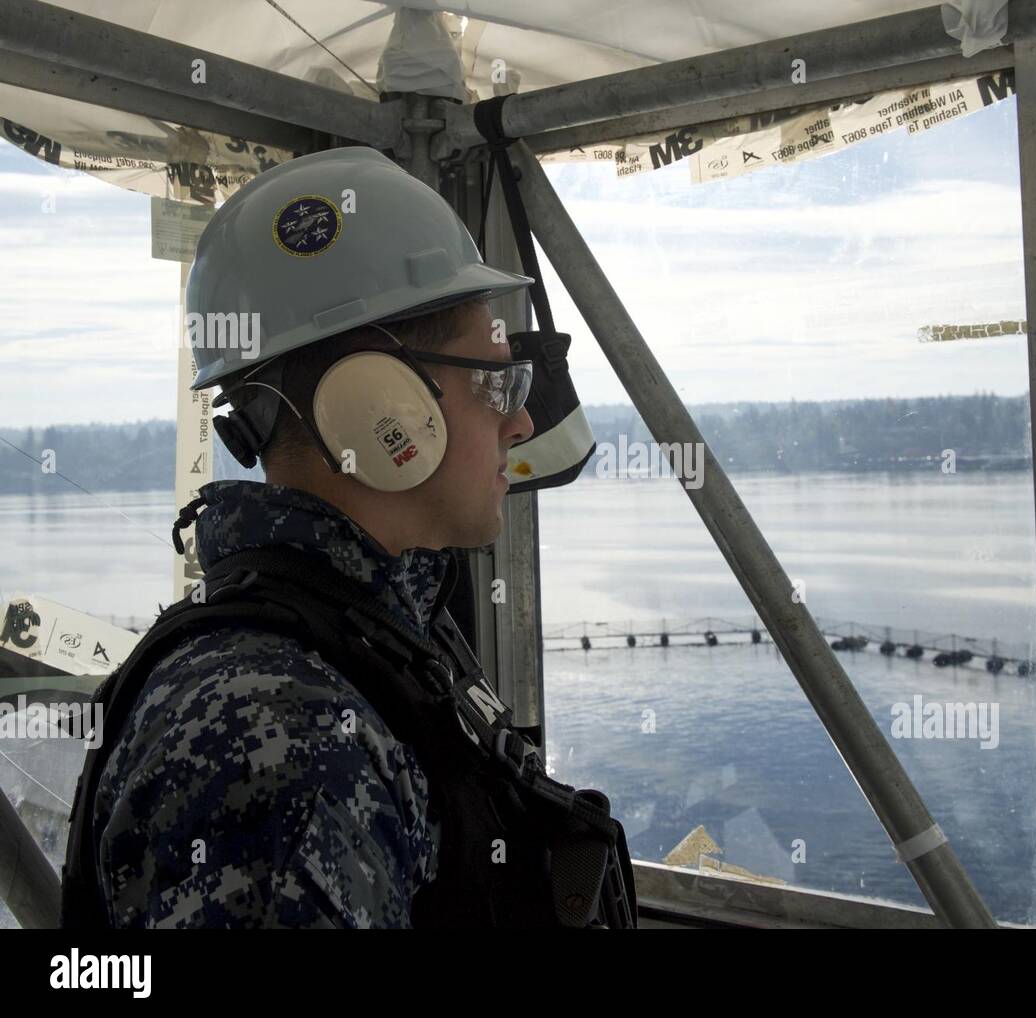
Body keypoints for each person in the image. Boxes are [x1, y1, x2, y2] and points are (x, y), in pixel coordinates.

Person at [62, 146, 635, 928]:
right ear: (380, 407)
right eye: (495, 380)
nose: (523, 421)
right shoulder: (280, 738)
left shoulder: (377, 632)